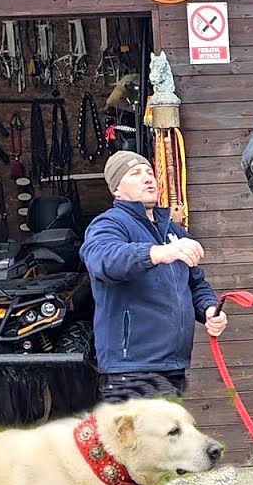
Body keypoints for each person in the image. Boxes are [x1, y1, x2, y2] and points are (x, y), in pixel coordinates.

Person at [79, 150, 228, 403]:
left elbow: (195, 283)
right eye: (135, 174)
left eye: (149, 172)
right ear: (116, 190)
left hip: (172, 365)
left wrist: (209, 310)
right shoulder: (109, 224)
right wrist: (158, 253)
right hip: (131, 368)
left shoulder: (173, 231)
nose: (148, 178)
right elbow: (102, 259)